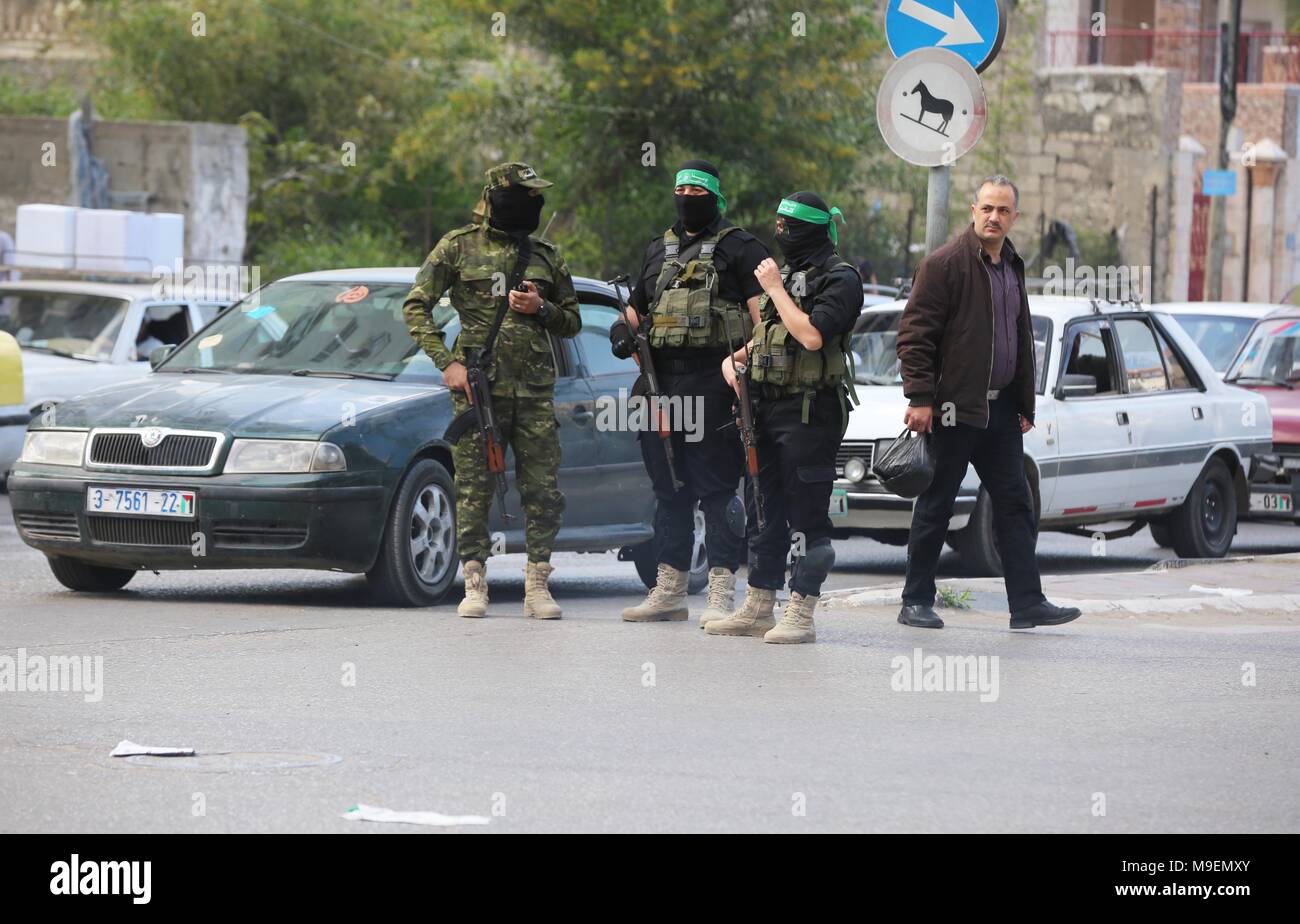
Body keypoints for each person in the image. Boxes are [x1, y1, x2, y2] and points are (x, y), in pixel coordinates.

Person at [895, 175, 1082, 631]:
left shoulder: (1012, 264)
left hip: (999, 413)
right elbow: (914, 337)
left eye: (1003, 211)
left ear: (1014, 218)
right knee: (937, 504)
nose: (994, 217)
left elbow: (1017, 338)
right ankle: (916, 600)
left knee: (1015, 505)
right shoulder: (944, 265)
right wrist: (920, 398)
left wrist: (1022, 404)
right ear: (972, 210)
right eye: (987, 208)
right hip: (953, 409)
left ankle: (1027, 604)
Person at [402, 162, 581, 619]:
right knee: (473, 488)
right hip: (477, 390)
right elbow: (415, 307)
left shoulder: (545, 255)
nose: (536, 203)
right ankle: (475, 582)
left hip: (535, 389)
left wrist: (541, 308)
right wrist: (448, 363)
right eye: (527, 195)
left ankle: (537, 584)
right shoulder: (458, 247)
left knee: (542, 487)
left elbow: (572, 321)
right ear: (500, 196)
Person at [609, 160, 769, 623]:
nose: (685, 195)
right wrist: (622, 330)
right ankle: (670, 589)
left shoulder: (741, 248)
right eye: (678, 187)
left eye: (695, 189)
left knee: (717, 490)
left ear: (714, 196)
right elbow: (638, 310)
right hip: (659, 385)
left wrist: (738, 364)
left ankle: (721, 589)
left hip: (713, 384)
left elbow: (768, 323)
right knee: (669, 489)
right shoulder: (658, 249)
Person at [705, 192, 862, 644]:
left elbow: (811, 336)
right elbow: (769, 336)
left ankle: (802, 610)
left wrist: (773, 287)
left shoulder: (841, 278)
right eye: (776, 223)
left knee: (807, 513)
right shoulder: (790, 274)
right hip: (766, 407)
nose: (780, 233)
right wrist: (732, 361)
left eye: (788, 226)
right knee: (764, 509)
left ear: (812, 228)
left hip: (811, 411)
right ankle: (759, 603)